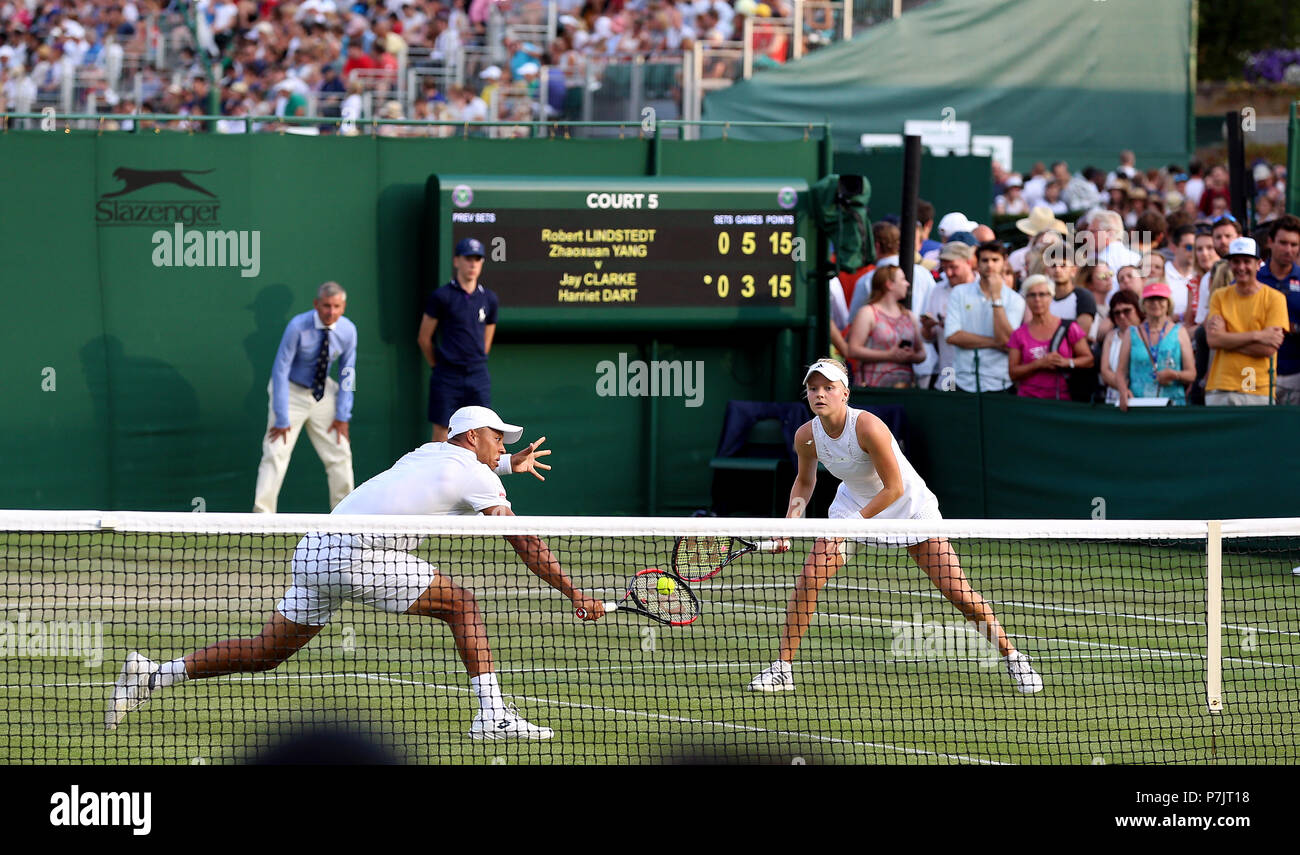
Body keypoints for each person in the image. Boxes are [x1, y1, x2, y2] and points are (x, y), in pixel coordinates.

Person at [108, 406, 606, 739]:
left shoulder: (429, 452)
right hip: (358, 556)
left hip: (316, 550)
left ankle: (153, 674)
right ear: (473, 436)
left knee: (265, 653)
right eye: (499, 438)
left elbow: (457, 472)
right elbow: (522, 540)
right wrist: (574, 592)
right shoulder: (472, 471)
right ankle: (492, 715)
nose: (503, 446)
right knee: (463, 603)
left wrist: (505, 467)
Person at [746, 359, 1042, 695]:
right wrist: (789, 525)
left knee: (959, 594)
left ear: (845, 393)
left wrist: (854, 526)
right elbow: (804, 481)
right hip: (852, 505)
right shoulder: (806, 437)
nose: (820, 394)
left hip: (909, 509)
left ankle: (1013, 656)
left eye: (828, 387)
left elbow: (894, 488)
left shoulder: (869, 427)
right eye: (813, 388)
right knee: (810, 579)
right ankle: (783, 669)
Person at [253, 282, 356, 513]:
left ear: (343, 307)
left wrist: (343, 415)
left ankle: (346, 517)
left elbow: (348, 373)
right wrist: (281, 416)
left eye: (336, 306)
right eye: (326, 306)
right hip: (289, 392)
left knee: (340, 454)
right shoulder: (297, 326)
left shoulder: (348, 330)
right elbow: (280, 370)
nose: (331, 312)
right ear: (316, 305)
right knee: (275, 452)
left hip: (324, 393)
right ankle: (261, 517)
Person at [419, 238, 498, 442]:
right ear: (456, 261)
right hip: (447, 375)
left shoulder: (489, 299)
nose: (472, 264)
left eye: (477, 259)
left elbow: (487, 339)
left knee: (483, 429)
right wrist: (439, 366)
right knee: (442, 431)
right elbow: (424, 338)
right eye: (468, 258)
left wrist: (476, 359)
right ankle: (439, 474)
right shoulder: (441, 296)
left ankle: (476, 475)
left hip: (478, 374)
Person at [1205, 238, 1288, 406]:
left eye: (1246, 261)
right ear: (1229, 265)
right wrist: (1258, 335)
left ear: (1258, 264)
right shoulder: (1219, 296)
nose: (1241, 267)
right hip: (1221, 385)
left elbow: (1268, 348)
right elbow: (1213, 340)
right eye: (1236, 261)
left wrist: (1226, 339)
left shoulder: (1274, 298)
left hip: (1256, 387)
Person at [944, 241, 1026, 393]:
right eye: (985, 260)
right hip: (963, 379)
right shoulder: (959, 292)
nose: (990, 265)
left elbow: (1007, 342)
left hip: (999, 382)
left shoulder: (1016, 300)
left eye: (995, 260)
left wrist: (996, 298)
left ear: (1004, 262)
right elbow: (952, 336)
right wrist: (995, 343)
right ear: (977, 263)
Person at [1007, 275, 1094, 399]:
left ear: (1051, 297)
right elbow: (1013, 373)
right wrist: (1039, 364)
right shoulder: (1018, 334)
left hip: (1062, 399)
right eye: (1032, 295)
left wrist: (1067, 362)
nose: (1037, 299)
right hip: (1028, 400)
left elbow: (1088, 360)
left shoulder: (1068, 327)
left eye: (1042, 294)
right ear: (1026, 299)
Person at [845, 266, 926, 387]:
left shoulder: (908, 316)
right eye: (903, 279)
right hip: (873, 388)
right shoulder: (868, 313)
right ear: (889, 284)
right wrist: (889, 355)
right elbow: (853, 350)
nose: (907, 284)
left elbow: (922, 353)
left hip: (905, 387)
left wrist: (910, 356)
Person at [1116, 283, 1195, 409]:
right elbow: (1121, 372)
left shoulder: (1179, 332)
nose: (1155, 303)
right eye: (1150, 299)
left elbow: (1191, 374)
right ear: (1143, 304)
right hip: (1138, 403)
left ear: (1168, 303)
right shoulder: (1131, 333)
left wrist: (1174, 375)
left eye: (1160, 299)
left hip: (1172, 404)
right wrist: (1123, 391)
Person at [1256, 215, 1300, 404]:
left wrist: (1292, 328)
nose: (1288, 249)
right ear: (1270, 242)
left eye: (1294, 244)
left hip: (1295, 372)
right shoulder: (1254, 278)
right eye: (1283, 243)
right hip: (1254, 369)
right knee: (1255, 427)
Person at [922, 241, 977, 389]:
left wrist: (952, 326)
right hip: (947, 373)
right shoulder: (938, 290)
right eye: (944, 268)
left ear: (969, 263)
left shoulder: (982, 289)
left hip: (979, 375)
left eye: (953, 267)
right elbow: (928, 338)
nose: (948, 273)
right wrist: (927, 327)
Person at [1097, 290, 1143, 405]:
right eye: (1117, 313)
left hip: (1143, 396)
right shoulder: (1111, 336)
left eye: (1127, 311)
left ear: (1138, 309)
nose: (1122, 316)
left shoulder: (1148, 334)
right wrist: (1123, 389)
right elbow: (1105, 370)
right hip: (1116, 398)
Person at [1044, 251, 1094, 339]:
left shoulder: (1084, 297)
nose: (1057, 269)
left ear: (1073, 270)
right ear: (1047, 271)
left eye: (1063, 265)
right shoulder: (1041, 297)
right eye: (1053, 265)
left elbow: (1080, 336)